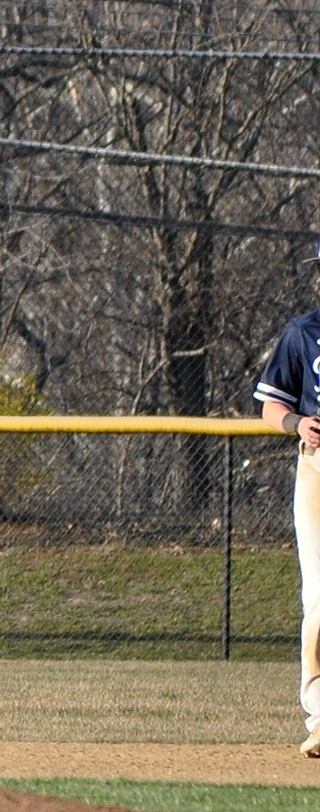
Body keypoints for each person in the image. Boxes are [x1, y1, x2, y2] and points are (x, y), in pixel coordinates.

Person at [253, 237, 320, 757]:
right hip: (318, 469)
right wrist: (298, 422)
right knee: (319, 599)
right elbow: (270, 407)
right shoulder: (303, 333)